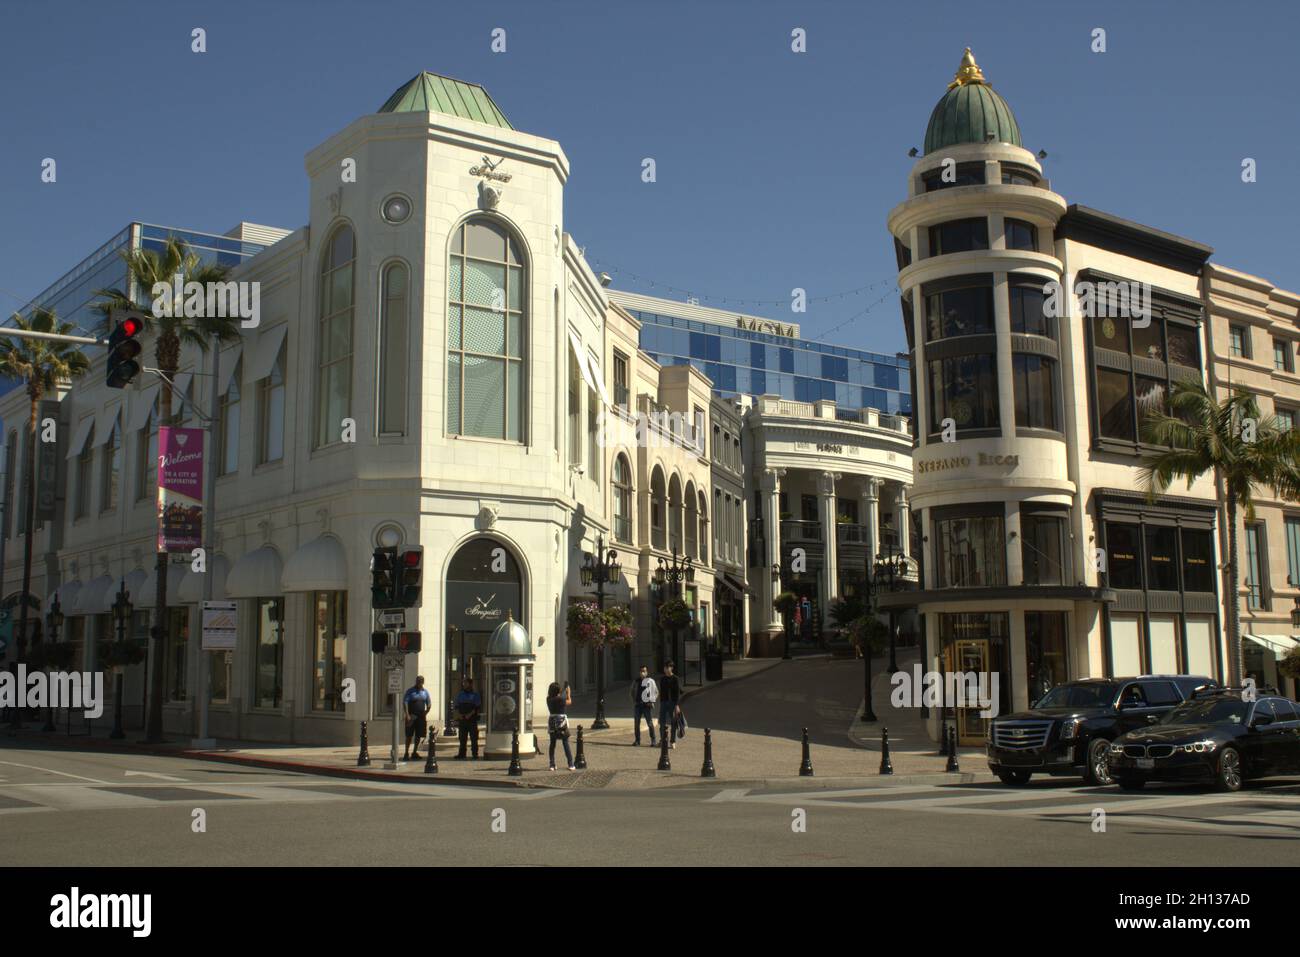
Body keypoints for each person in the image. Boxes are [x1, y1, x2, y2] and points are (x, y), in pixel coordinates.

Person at [546, 681, 575, 771]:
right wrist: (568, 693)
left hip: (552, 722)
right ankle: (571, 764)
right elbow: (569, 701)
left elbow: (556, 695)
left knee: (552, 743)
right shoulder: (561, 699)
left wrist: (561, 691)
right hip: (561, 722)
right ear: (558, 691)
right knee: (565, 742)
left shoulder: (548, 699)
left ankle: (552, 764)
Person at [402, 675, 431, 761]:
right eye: (418, 681)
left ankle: (414, 752)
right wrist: (407, 714)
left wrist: (426, 712)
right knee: (409, 735)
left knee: (418, 735)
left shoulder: (425, 692)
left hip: (420, 717)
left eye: (421, 682)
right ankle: (406, 752)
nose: (419, 683)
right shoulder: (410, 691)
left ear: (423, 682)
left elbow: (429, 703)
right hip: (411, 716)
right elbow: (405, 702)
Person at [454, 676, 482, 759]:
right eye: (463, 683)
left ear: (470, 684)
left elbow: (477, 707)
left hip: (472, 719)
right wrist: (458, 715)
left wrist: (469, 714)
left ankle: (475, 754)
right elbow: (456, 706)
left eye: (465, 683)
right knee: (462, 738)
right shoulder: (460, 694)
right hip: (462, 719)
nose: (464, 684)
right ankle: (462, 754)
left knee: (474, 738)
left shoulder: (475, 695)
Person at [632, 665, 659, 746]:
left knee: (650, 723)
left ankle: (653, 740)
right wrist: (634, 701)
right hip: (638, 705)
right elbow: (632, 692)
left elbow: (656, 692)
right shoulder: (636, 681)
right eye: (641, 671)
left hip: (646, 706)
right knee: (636, 723)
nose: (642, 673)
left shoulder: (650, 681)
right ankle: (637, 740)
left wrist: (651, 701)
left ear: (647, 672)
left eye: (644, 671)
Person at [659, 661, 683, 748]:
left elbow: (677, 693)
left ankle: (672, 741)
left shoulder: (675, 679)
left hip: (673, 703)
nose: (665, 669)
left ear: (671, 668)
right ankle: (662, 740)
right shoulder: (662, 679)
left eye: (667, 667)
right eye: (664, 667)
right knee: (662, 722)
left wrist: (677, 705)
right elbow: (661, 692)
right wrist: (661, 702)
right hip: (664, 702)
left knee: (673, 722)